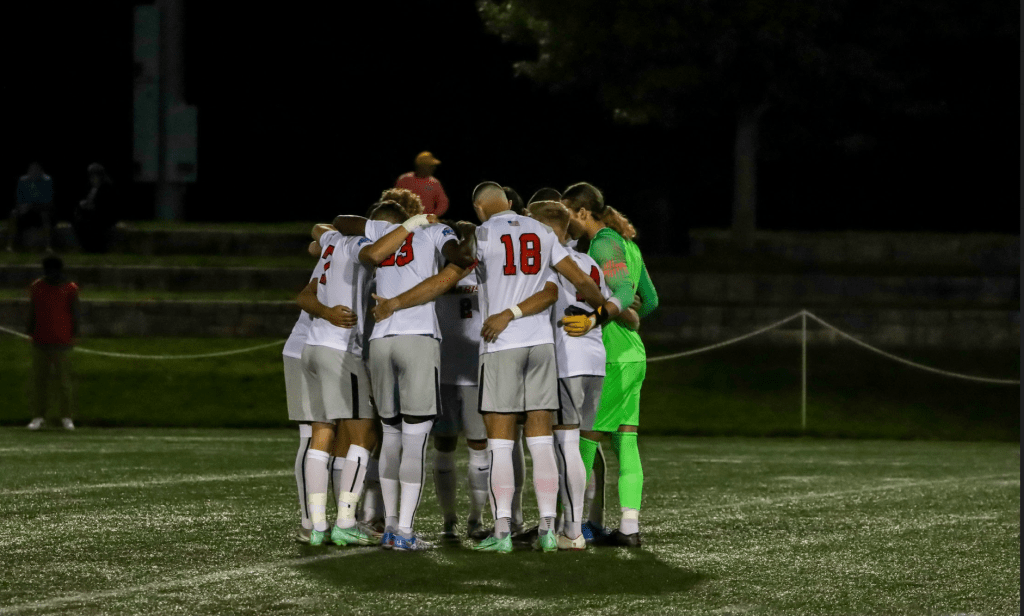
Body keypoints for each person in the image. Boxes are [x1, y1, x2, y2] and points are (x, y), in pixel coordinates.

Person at [467, 182, 617, 553]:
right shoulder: (576, 255)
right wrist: (601, 315)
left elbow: (547, 291)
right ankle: (557, 528)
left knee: (501, 444)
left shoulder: (487, 233)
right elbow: (583, 283)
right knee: (549, 444)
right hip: (551, 351)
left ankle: (503, 531)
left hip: (509, 345)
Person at [332, 202, 475, 551]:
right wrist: (466, 232)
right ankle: (405, 531)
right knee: (415, 439)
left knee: (391, 437)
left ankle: (392, 524)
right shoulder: (434, 231)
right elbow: (460, 256)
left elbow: (340, 221)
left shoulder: (378, 232)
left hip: (380, 341)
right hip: (418, 339)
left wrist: (384, 226)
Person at [295, 208, 435, 546]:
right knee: (364, 434)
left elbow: (318, 234)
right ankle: (344, 520)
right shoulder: (360, 243)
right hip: (340, 350)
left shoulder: (331, 241)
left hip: (311, 347)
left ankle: (316, 526)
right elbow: (371, 252)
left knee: (322, 434)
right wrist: (412, 224)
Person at [561, 181, 659, 547]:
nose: (565, 221)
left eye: (568, 213)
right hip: (634, 354)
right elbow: (649, 301)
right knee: (626, 441)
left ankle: (572, 525)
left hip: (614, 356)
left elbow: (620, 294)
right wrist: (630, 312)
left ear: (583, 212)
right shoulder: (629, 245)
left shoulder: (602, 244)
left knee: (584, 439)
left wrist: (607, 313)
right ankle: (629, 527)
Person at [527, 199, 622, 551]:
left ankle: (569, 530)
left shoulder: (550, 259)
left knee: (564, 446)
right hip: (596, 359)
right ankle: (574, 527)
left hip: (566, 358)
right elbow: (613, 303)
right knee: (580, 445)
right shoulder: (589, 261)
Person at [26, 256, 80, 431]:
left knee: (64, 383)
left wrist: (74, 334)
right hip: (41, 339)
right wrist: (30, 331)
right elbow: (33, 311)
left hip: (62, 341)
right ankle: (38, 416)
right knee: (39, 381)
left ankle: (66, 417)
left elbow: (75, 313)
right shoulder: (37, 287)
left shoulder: (70, 289)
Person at [8, 162, 54, 253]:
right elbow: (19, 197)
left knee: (45, 214)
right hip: (25, 208)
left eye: (36, 170)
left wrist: (32, 203)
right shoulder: (23, 180)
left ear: (41, 171)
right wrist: (22, 206)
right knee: (13, 213)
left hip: (41, 208)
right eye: (31, 170)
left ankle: (48, 246)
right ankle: (9, 245)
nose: (33, 172)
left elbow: (47, 199)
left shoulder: (47, 180)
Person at [72, 163, 116, 253]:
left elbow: (106, 206)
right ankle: (86, 247)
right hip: (90, 214)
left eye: (94, 176)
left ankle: (95, 248)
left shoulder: (106, 188)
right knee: (79, 221)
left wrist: (91, 206)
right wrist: (83, 204)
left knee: (90, 224)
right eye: (91, 176)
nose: (92, 179)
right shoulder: (89, 187)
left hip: (102, 215)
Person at [395, 151, 449, 216]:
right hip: (405, 220)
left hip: (425, 223)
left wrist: (433, 215)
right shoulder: (404, 180)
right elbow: (394, 199)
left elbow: (443, 203)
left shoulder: (434, 183)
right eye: (430, 166)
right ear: (422, 167)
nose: (434, 168)